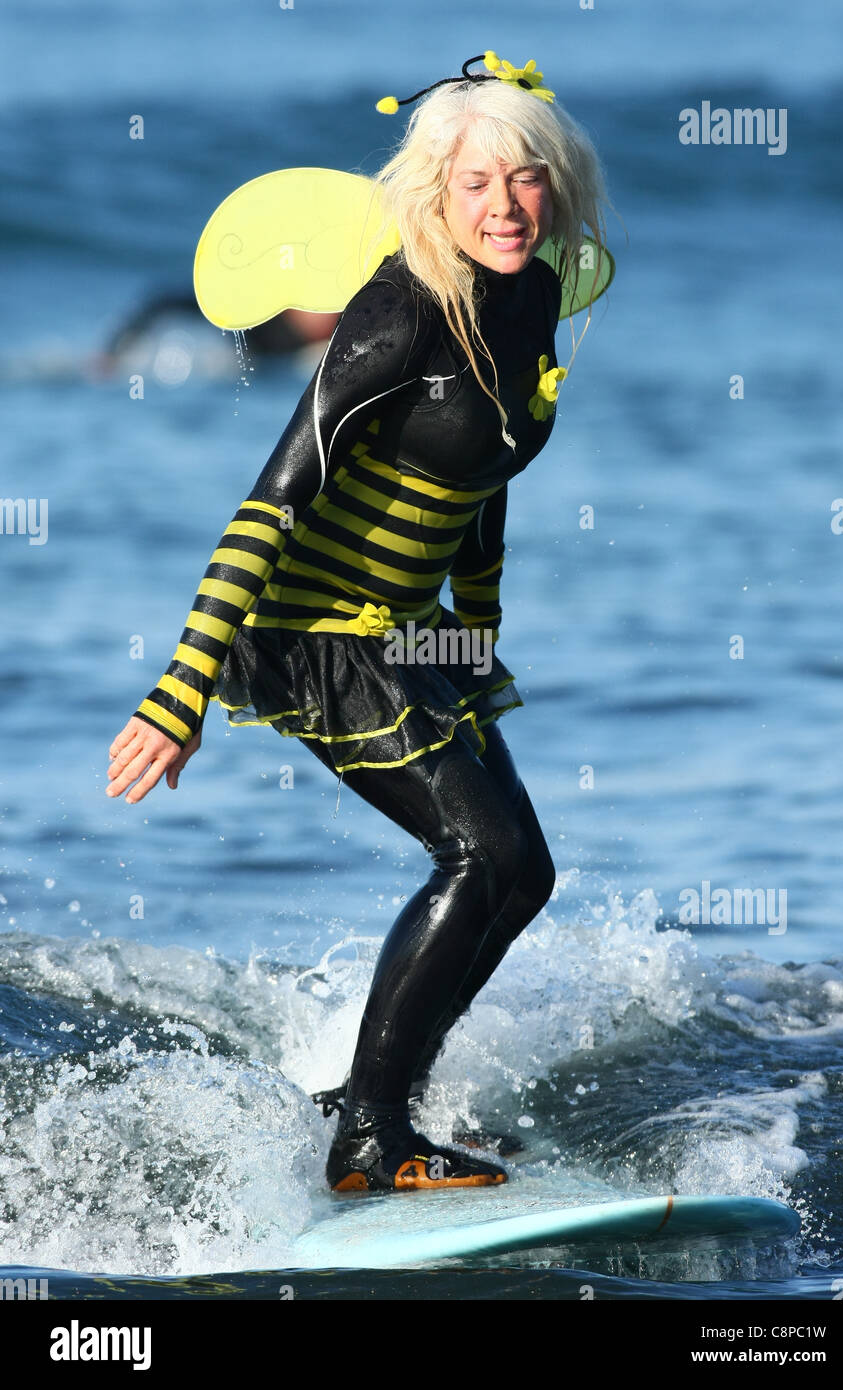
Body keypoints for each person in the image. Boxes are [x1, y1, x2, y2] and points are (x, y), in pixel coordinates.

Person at [105, 51, 608, 1192]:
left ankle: (378, 1096)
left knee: (521, 875)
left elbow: (481, 484)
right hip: (317, 631)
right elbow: (267, 502)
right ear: (436, 193)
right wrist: (179, 690)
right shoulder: (398, 313)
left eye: (526, 179)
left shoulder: (530, 292)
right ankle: (371, 1138)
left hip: (415, 632)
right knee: (481, 853)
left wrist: (474, 652)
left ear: (558, 182)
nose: (505, 206)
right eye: (477, 185)